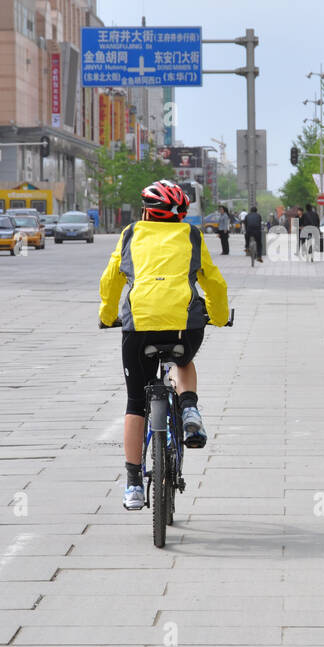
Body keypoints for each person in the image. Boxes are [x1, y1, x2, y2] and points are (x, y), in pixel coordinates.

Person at [99, 180, 229, 512]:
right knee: (182, 360)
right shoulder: (192, 236)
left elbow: (112, 278)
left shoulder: (130, 233)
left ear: (145, 211)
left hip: (139, 326)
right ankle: (188, 409)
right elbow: (212, 280)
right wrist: (219, 315)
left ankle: (132, 486)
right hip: (183, 326)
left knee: (135, 402)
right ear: (181, 215)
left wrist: (107, 315)